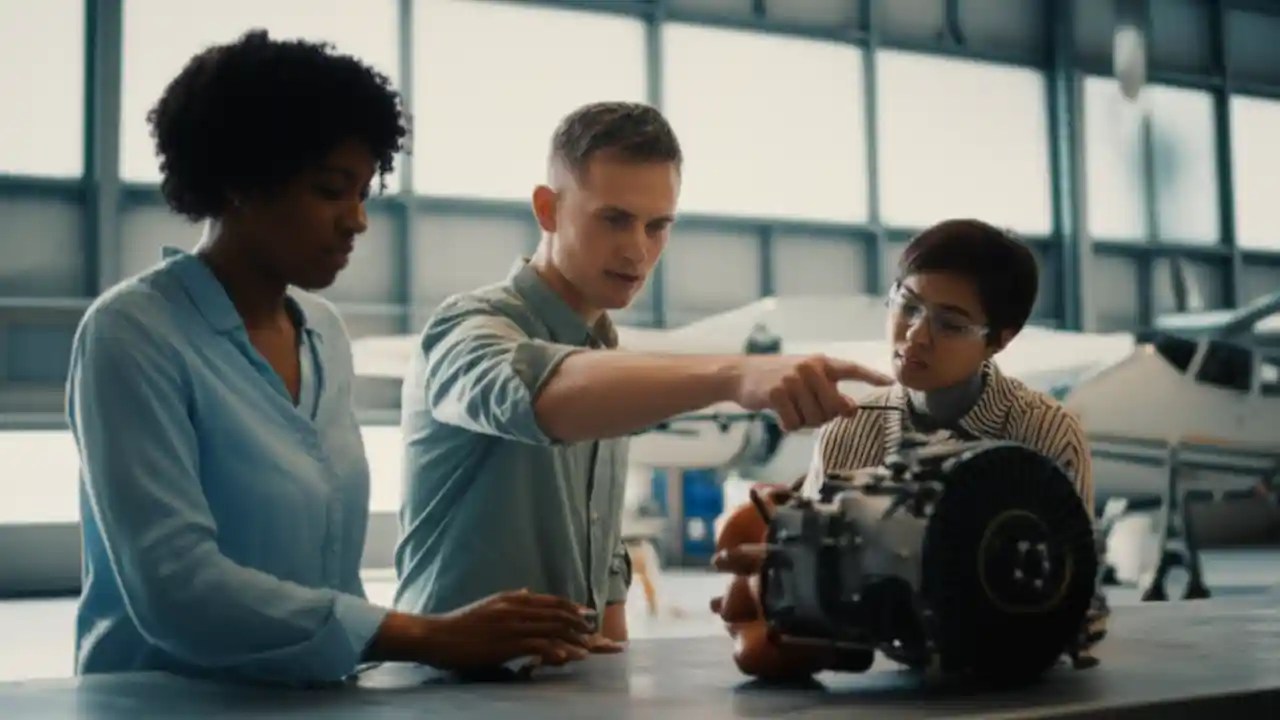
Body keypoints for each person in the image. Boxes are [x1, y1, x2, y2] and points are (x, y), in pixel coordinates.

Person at [65, 29, 593, 687]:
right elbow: (178, 587)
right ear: (241, 182)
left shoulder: (321, 332)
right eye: (329, 190)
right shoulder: (133, 332)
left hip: (313, 698)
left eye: (364, 192)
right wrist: (427, 636)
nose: (358, 221)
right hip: (162, 702)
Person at [393, 101, 892, 647]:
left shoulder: (610, 357)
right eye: (614, 219)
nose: (637, 250)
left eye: (658, 227)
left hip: (566, 690)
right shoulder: (468, 326)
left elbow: (602, 562)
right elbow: (535, 394)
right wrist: (735, 375)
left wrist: (611, 666)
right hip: (445, 693)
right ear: (547, 209)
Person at [712, 218, 1108, 673]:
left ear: (1001, 339)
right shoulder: (850, 428)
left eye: (950, 324)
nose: (917, 335)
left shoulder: (1044, 432)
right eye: (908, 305)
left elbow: (1076, 598)